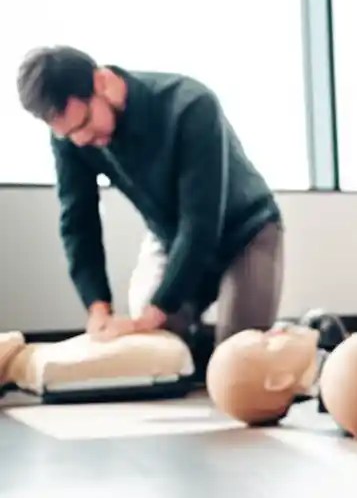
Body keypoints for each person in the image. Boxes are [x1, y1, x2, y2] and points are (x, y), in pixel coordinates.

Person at [16, 46, 284, 345]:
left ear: (102, 81)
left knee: (238, 353)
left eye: (84, 123)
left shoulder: (190, 104)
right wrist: (98, 308)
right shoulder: (72, 138)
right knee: (152, 344)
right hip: (169, 236)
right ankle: (200, 341)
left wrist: (154, 313)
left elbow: (200, 222)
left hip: (245, 231)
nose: (81, 139)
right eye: (69, 134)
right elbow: (79, 222)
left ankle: (298, 341)